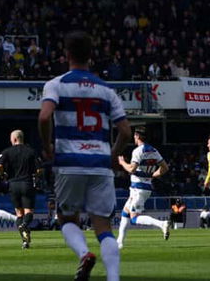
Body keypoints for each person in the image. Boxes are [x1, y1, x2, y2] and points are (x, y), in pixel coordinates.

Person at [38, 31, 133, 281]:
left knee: (67, 218)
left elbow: (44, 116)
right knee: (103, 227)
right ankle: (114, 278)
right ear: (91, 56)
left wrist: (48, 146)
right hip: (100, 164)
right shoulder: (106, 90)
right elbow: (125, 131)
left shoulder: (57, 84)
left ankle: (83, 253)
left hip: (69, 162)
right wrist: (113, 155)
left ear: (66, 55)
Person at [117, 128, 171, 244]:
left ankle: (162, 224)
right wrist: (152, 175)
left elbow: (131, 169)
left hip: (138, 188)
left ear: (137, 136)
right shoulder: (154, 151)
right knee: (125, 212)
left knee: (134, 218)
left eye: (134, 136)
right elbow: (165, 168)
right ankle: (119, 242)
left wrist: (122, 163)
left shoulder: (137, 151)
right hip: (145, 187)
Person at [0, 128, 41, 249]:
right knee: (28, 212)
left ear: (15, 139)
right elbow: (39, 169)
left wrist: (3, 175)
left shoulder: (7, 151)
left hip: (13, 184)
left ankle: (25, 241)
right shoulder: (31, 151)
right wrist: (36, 176)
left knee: (19, 214)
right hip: (27, 183)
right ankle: (25, 225)